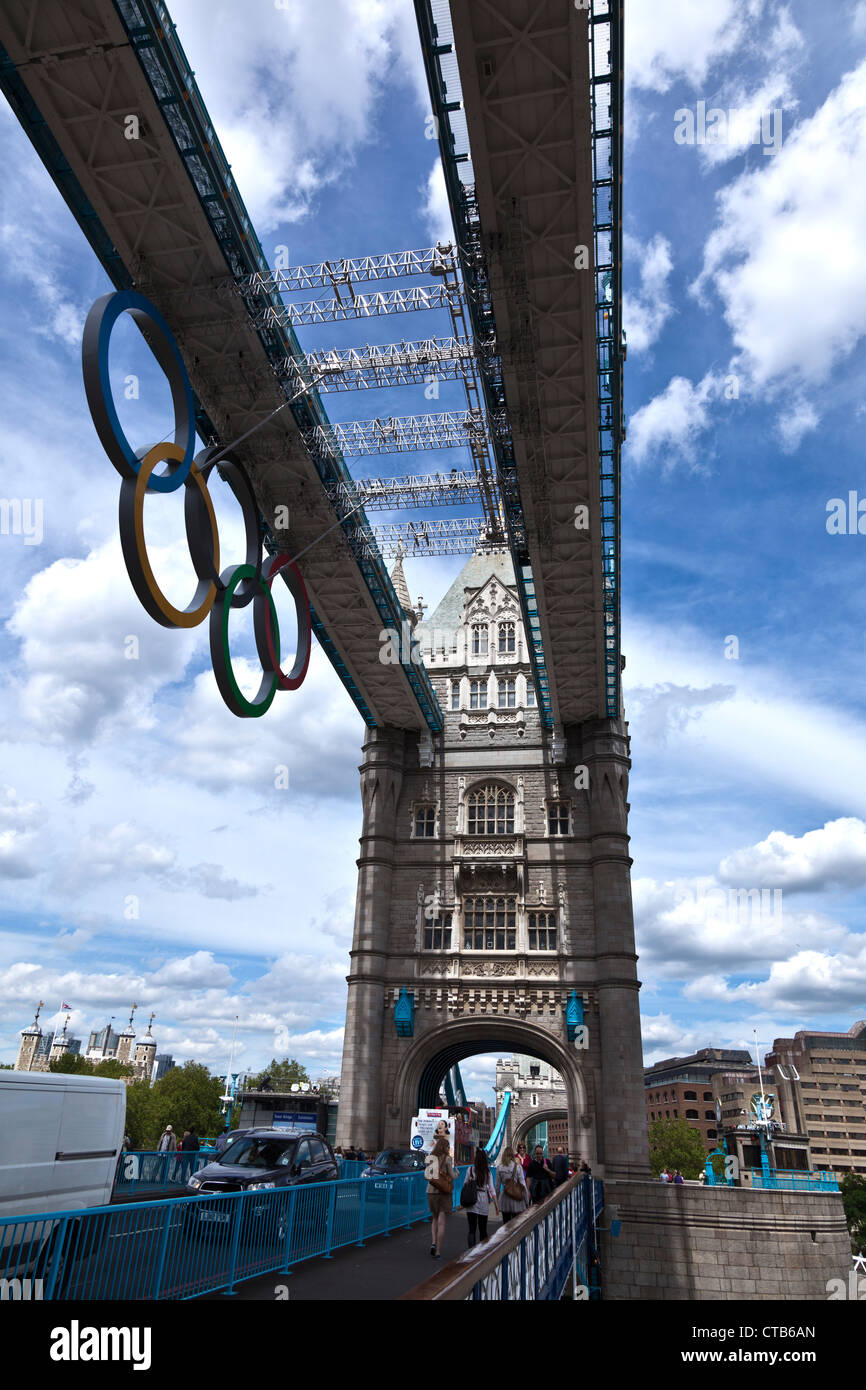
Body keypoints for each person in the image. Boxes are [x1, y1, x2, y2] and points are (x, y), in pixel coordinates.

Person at [425, 1135, 454, 1258]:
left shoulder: (430, 1157)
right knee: (442, 1222)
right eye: (448, 1146)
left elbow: (427, 1175)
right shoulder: (447, 1159)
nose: (449, 1148)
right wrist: (456, 1173)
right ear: (444, 1147)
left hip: (431, 1191)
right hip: (443, 1192)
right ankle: (438, 1251)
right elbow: (451, 1175)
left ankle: (433, 1243)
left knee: (434, 1219)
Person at [465, 1147, 498, 1247]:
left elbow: (465, 1185)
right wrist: (497, 1206)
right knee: (483, 1230)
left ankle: (470, 1253)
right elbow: (492, 1190)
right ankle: (482, 1253)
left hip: (471, 1202)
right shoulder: (487, 1172)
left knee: (472, 1230)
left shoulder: (470, 1170)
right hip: (483, 1201)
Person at [495, 1146, 529, 1224]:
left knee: (506, 1224)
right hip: (515, 1199)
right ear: (513, 1156)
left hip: (505, 1198)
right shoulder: (518, 1167)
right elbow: (523, 1185)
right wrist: (527, 1201)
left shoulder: (499, 1168)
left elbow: (497, 1186)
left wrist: (496, 1201)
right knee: (515, 1224)